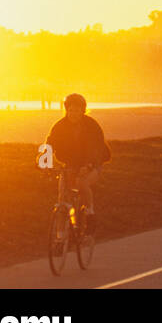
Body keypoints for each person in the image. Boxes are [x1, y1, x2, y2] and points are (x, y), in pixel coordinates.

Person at [43, 93, 111, 234]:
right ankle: (60, 237)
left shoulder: (91, 125)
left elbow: (96, 149)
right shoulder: (59, 126)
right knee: (62, 198)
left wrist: (89, 165)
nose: (73, 113)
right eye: (71, 110)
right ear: (66, 110)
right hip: (70, 165)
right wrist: (44, 162)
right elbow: (49, 145)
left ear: (83, 111)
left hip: (92, 164)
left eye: (77, 110)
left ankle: (89, 212)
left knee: (81, 183)